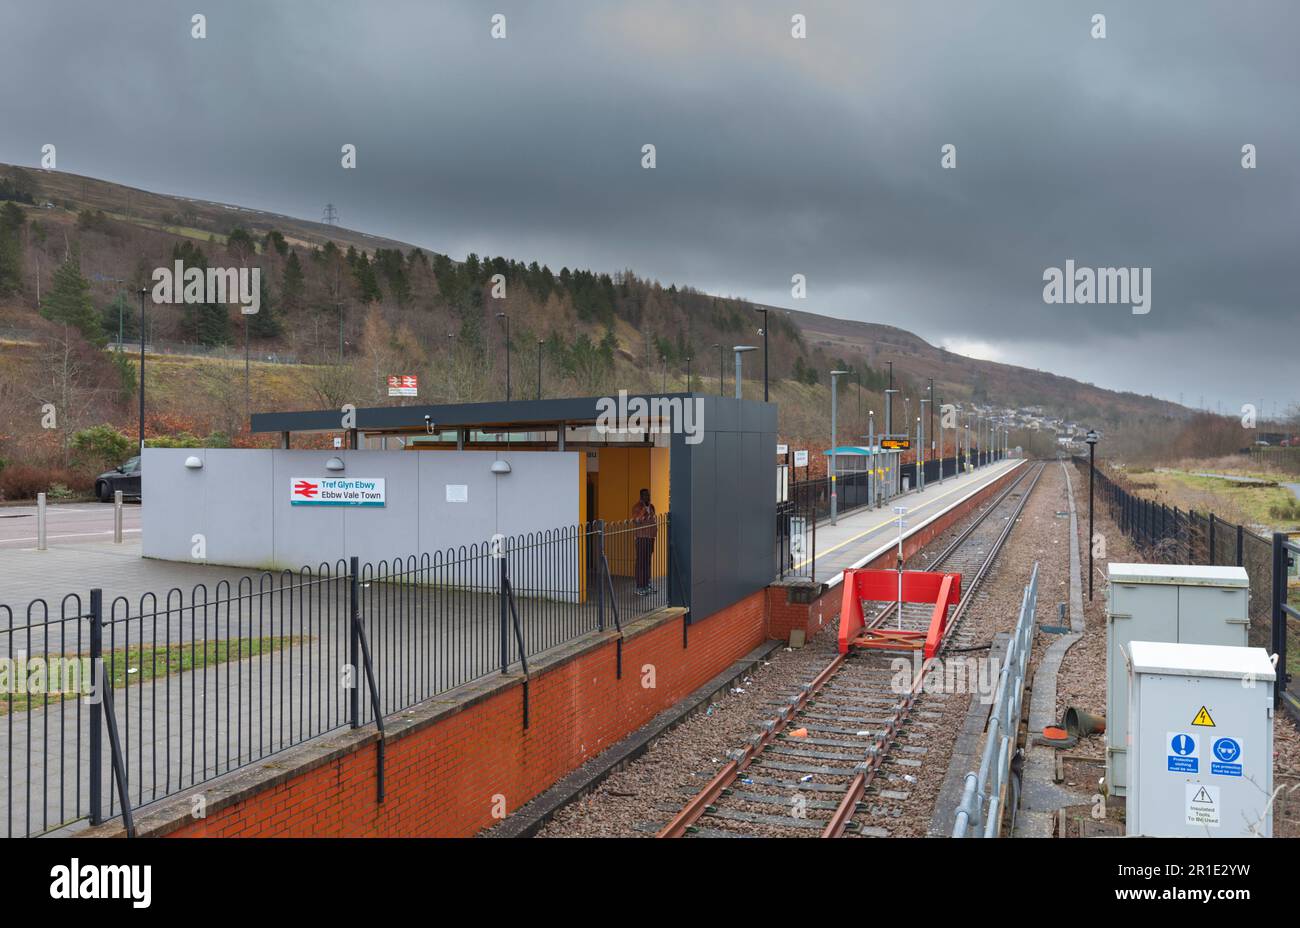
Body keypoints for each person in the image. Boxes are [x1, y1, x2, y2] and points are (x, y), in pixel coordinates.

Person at [632, 488, 657, 595]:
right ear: (641, 496)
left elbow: (653, 519)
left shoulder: (651, 507)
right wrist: (643, 510)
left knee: (647, 561)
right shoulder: (637, 507)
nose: (648, 497)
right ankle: (639, 586)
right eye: (646, 495)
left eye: (649, 495)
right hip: (641, 537)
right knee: (641, 562)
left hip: (650, 537)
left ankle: (647, 584)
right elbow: (636, 520)